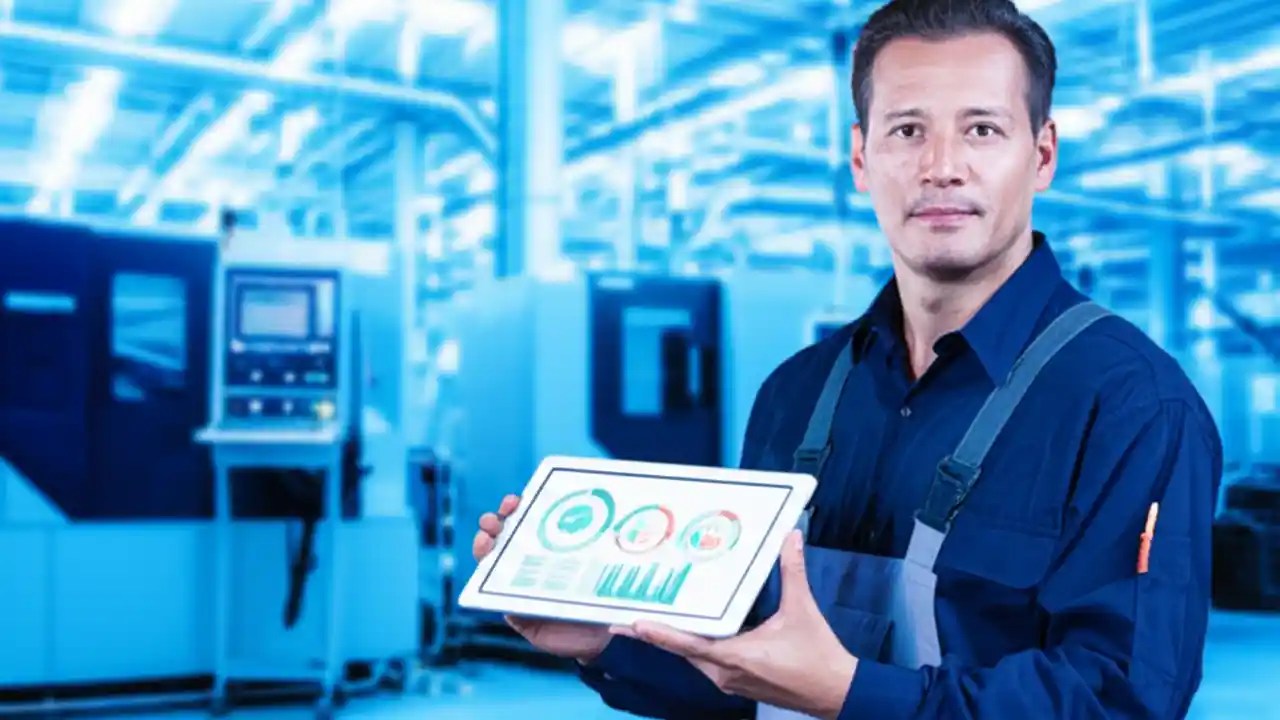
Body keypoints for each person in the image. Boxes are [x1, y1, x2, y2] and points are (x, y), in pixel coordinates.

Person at [472, 0, 1223, 717]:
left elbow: (1119, 703)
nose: (941, 167)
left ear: (1044, 155)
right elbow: (747, 670)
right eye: (906, 131)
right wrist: (606, 643)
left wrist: (851, 695)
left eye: (983, 130)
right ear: (861, 158)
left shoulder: (1130, 406)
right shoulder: (795, 395)